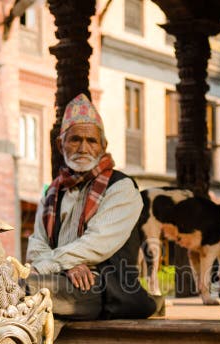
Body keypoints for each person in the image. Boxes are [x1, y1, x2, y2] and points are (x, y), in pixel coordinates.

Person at [26, 94, 156, 320]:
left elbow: (96, 244)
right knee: (10, 290)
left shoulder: (121, 187)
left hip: (105, 288)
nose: (83, 147)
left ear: (103, 146)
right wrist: (66, 267)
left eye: (91, 141)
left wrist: (51, 265)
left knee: (22, 292)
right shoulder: (52, 192)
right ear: (61, 144)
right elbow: (36, 247)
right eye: (75, 139)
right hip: (60, 278)